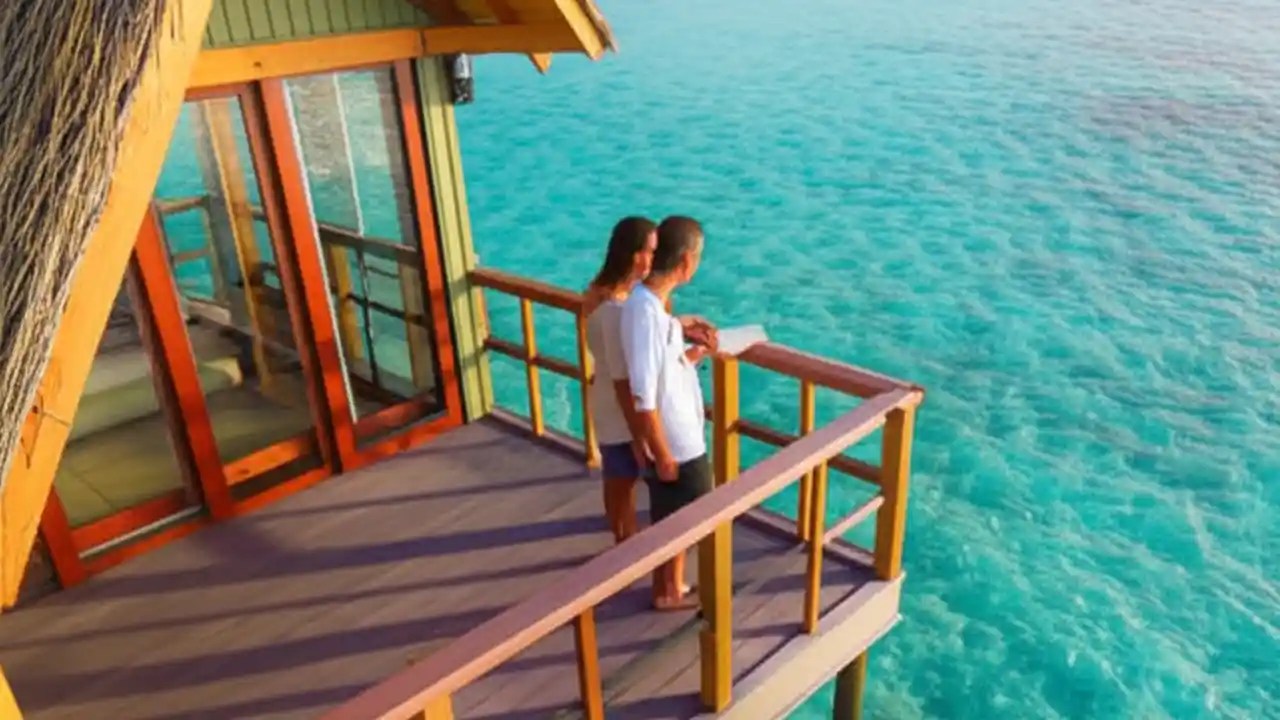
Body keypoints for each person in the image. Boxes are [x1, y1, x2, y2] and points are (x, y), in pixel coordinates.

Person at [620, 215, 715, 610]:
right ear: (686, 263)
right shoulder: (645, 314)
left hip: (675, 439)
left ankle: (669, 588)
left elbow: (662, 369)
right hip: (676, 445)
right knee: (688, 522)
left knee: (671, 520)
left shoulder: (653, 311)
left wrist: (694, 351)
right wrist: (661, 453)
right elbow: (643, 391)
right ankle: (667, 589)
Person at [583, 216, 658, 544]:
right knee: (622, 479)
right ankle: (624, 543)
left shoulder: (598, 292)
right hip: (618, 405)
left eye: (653, 253)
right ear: (624, 252)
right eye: (640, 252)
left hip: (604, 396)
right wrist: (639, 433)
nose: (647, 261)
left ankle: (622, 537)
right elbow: (621, 378)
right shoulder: (614, 308)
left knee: (617, 478)